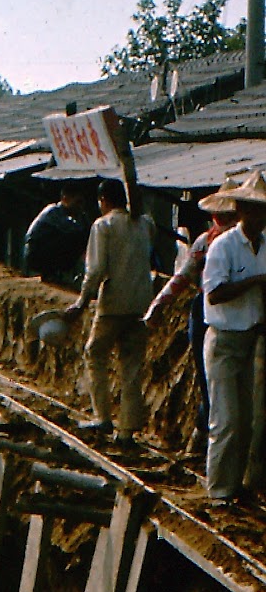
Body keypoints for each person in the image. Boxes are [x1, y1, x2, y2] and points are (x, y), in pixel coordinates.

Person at [143, 178, 240, 457]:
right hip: (208, 310)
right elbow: (182, 276)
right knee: (208, 378)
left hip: (241, 313)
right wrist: (158, 305)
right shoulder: (205, 242)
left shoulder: (251, 244)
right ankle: (203, 434)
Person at [65, 178, 154, 446]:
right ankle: (126, 429)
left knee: (95, 353)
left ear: (103, 200)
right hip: (141, 303)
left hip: (113, 303)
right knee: (131, 366)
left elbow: (95, 270)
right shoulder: (145, 224)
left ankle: (102, 416)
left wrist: (82, 301)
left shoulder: (102, 225)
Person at [200, 170, 266, 506]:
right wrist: (256, 281)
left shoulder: (264, 246)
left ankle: (235, 485)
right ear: (240, 210)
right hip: (224, 340)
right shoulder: (223, 246)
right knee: (225, 419)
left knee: (245, 420)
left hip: (250, 338)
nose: (258, 217)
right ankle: (219, 490)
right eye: (253, 209)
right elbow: (214, 294)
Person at [23, 184, 90, 284]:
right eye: (77, 202)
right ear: (65, 199)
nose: (79, 207)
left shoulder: (64, 215)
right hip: (35, 254)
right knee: (78, 238)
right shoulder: (53, 211)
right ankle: (53, 273)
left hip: (42, 250)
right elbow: (73, 230)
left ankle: (56, 273)